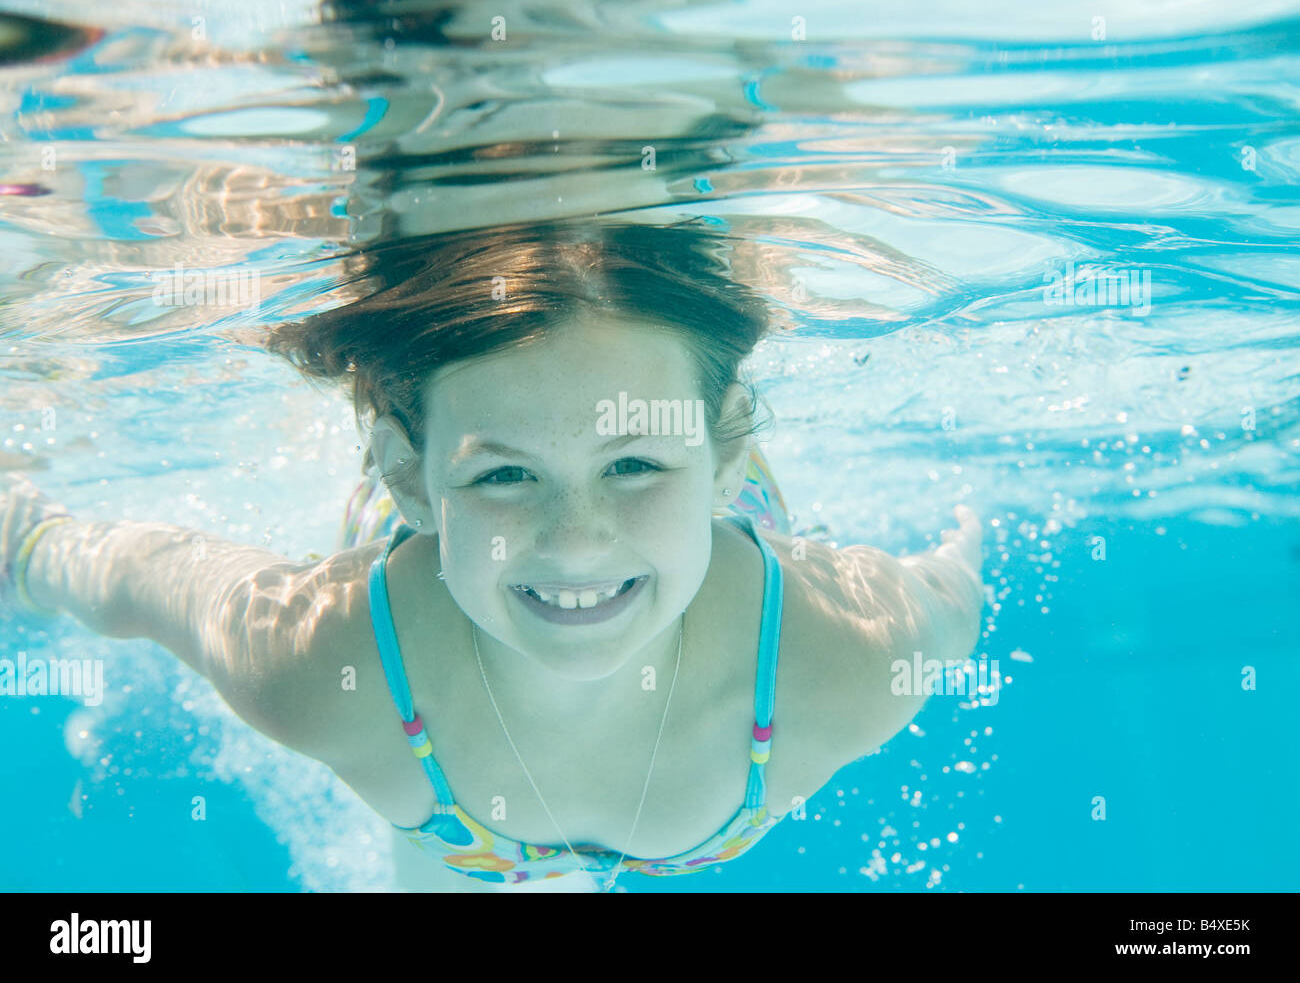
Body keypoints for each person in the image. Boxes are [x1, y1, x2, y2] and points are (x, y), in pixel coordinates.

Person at [1, 219, 983, 892]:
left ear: (725, 456)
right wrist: (28, 540)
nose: (574, 538)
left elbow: (951, 600)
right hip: (447, 773)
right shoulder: (327, 669)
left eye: (634, 461)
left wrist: (964, 537)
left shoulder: (842, 658)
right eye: (504, 476)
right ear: (406, 477)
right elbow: (138, 575)